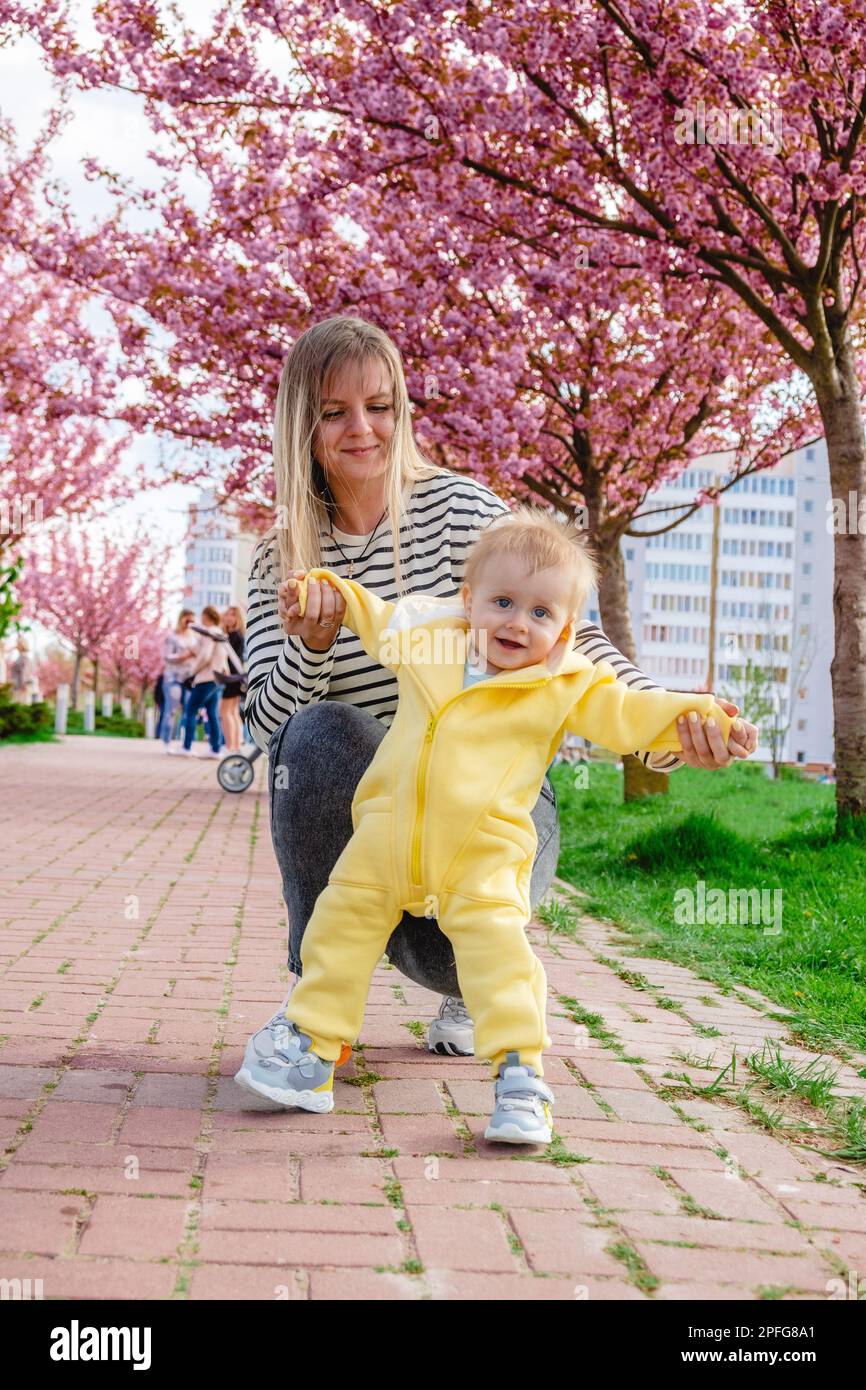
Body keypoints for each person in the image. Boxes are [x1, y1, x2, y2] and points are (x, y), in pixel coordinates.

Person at [241, 315, 758, 1064]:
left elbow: (575, 642)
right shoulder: (278, 561)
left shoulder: (461, 512)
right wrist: (312, 647)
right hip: (375, 842)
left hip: (483, 831)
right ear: (302, 423)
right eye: (334, 412)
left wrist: (674, 724)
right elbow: (269, 730)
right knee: (319, 731)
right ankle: (316, 1010)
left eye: (381, 406)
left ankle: (470, 994)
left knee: (467, 945)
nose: (364, 430)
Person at [235, 507, 741, 1140]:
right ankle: (312, 1048)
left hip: (483, 855)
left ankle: (521, 1077)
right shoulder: (430, 639)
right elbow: (372, 611)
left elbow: (632, 712)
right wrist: (323, 592)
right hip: (385, 842)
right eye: (502, 601)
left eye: (539, 613)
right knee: (336, 935)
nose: (516, 623)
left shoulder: (566, 682)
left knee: (502, 963)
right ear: (469, 600)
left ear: (564, 630)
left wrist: (703, 718)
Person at [172, 606, 228, 758]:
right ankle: (215, 749)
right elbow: (197, 648)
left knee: (190, 710)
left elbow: (205, 655)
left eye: (202, 615)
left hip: (206, 678)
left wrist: (192, 671)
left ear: (206, 616)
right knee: (212, 714)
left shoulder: (211, 632)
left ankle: (186, 747)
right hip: (217, 679)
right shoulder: (218, 632)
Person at [158, 610, 197, 749]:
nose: (189, 623)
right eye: (187, 620)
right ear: (181, 619)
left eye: (192, 620)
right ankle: (166, 742)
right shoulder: (172, 636)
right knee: (171, 710)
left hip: (189, 679)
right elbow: (167, 656)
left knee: (189, 711)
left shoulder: (195, 638)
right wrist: (183, 657)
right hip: (172, 678)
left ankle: (185, 744)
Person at [217, 606, 246, 754]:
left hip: (230, 677)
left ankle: (230, 746)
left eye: (232, 615)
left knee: (225, 712)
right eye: (227, 614)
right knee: (233, 712)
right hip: (235, 677)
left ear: (237, 618)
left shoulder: (234, 636)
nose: (229, 618)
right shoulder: (235, 635)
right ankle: (236, 745)